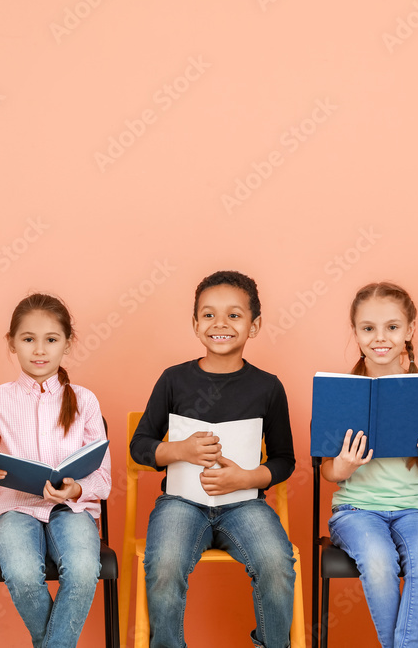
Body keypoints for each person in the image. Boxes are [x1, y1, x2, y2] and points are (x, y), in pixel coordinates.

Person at [129, 270, 297, 648]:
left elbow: (285, 460)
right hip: (182, 504)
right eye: (208, 315)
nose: (220, 324)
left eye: (234, 315)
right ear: (195, 324)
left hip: (244, 506)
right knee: (165, 566)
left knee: (276, 564)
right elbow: (140, 445)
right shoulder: (174, 380)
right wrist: (179, 450)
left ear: (254, 326)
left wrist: (248, 479)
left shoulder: (268, 387)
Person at [0, 293, 110, 648]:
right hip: (15, 509)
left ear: (68, 344)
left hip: (72, 510)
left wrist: (75, 490)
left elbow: (102, 478)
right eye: (28, 339)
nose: (39, 350)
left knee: (85, 569)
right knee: (24, 573)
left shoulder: (85, 401)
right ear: (12, 343)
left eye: (51, 340)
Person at [320, 282, 418, 647]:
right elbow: (327, 472)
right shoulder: (341, 393)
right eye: (368, 328)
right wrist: (344, 466)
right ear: (356, 333)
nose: (381, 338)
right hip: (356, 511)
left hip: (414, 510)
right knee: (378, 564)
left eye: (392, 327)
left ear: (409, 331)